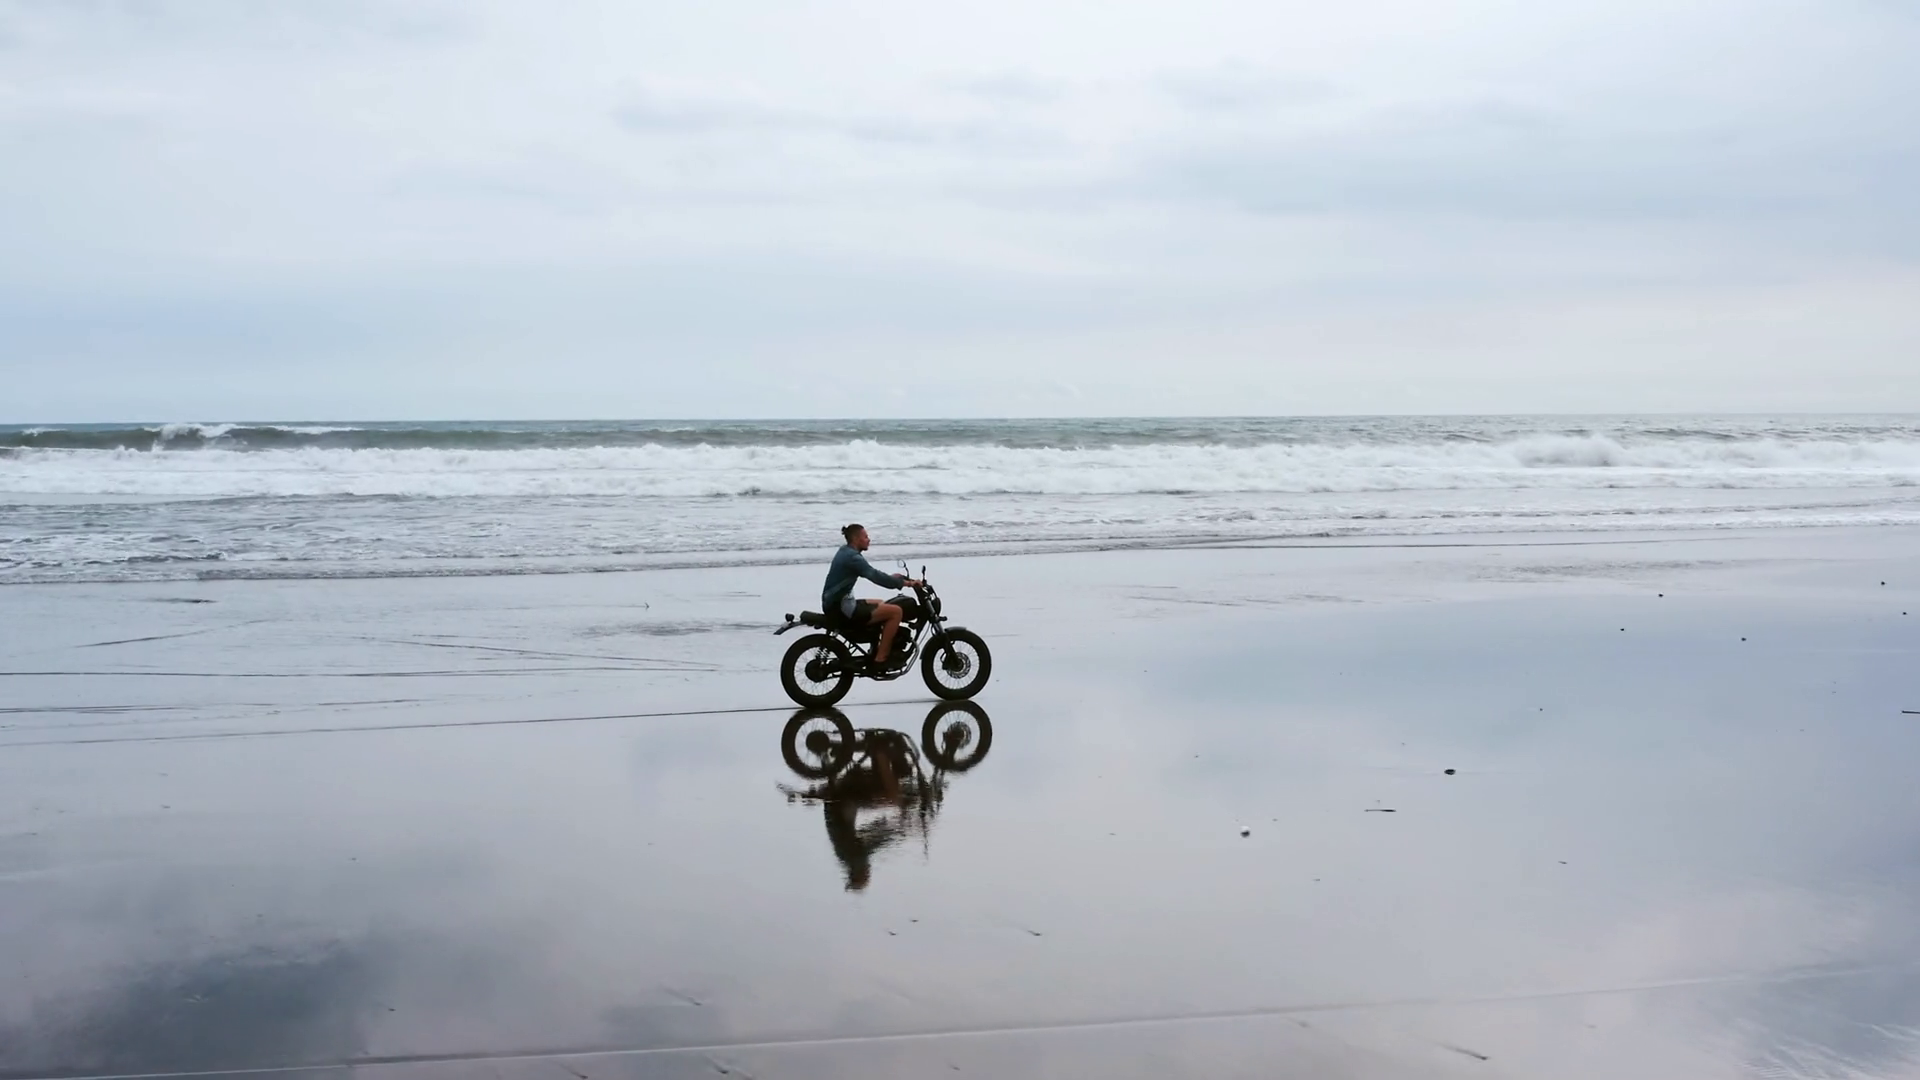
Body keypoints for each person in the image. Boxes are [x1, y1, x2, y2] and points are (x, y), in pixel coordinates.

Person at [822, 524, 922, 671]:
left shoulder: (846, 551)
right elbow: (875, 576)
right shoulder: (853, 558)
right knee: (896, 612)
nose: (869, 540)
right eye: (866, 537)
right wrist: (907, 583)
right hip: (841, 607)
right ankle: (880, 660)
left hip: (836, 602)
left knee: (881, 603)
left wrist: (894, 578)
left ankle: (875, 646)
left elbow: (874, 573)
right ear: (856, 539)